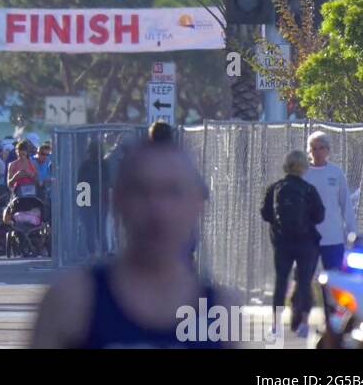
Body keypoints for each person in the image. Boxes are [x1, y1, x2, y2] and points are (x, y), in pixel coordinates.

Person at [32, 141, 224, 349]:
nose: (158, 209)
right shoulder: (73, 301)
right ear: (119, 202)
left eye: (173, 192)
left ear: (198, 205)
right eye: (142, 192)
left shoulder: (221, 307)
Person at [260, 150, 325, 337]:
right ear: (304, 167)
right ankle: (304, 324)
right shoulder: (309, 189)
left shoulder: (275, 188)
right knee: (304, 282)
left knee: (281, 281)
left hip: (282, 243)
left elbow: (265, 214)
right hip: (306, 243)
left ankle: (276, 324)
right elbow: (320, 216)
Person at [303, 131, 355, 271]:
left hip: (333, 238)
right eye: (314, 148)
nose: (318, 152)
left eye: (321, 148)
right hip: (308, 238)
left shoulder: (336, 173)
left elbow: (346, 205)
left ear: (327, 150)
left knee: (334, 283)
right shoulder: (304, 174)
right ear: (309, 151)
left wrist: (352, 232)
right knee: (304, 280)